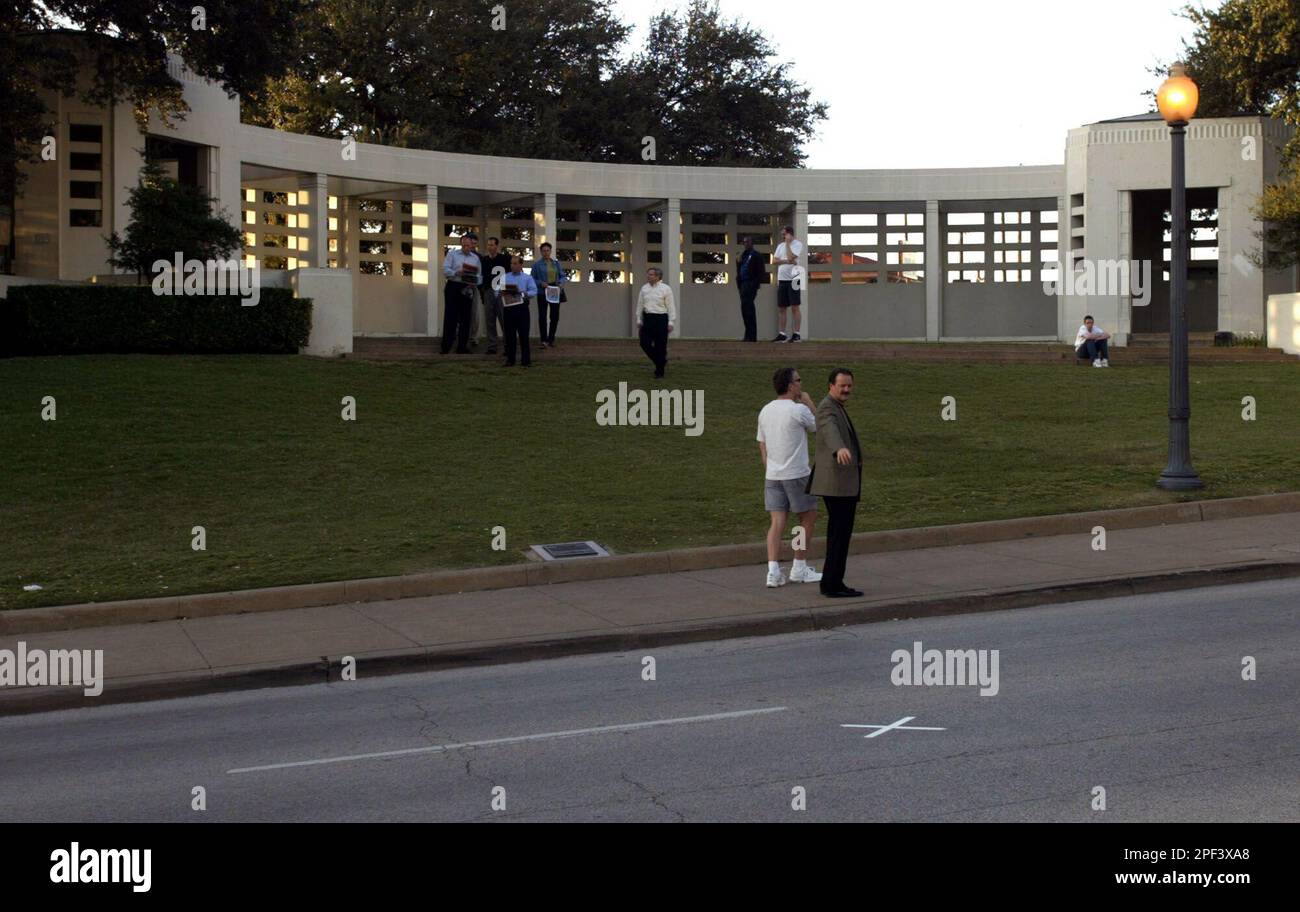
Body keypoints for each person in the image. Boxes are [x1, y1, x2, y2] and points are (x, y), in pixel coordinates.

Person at [757, 367, 823, 588]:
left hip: (773, 475)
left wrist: (769, 466)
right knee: (807, 518)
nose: (801, 383)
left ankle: (773, 571)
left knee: (777, 522)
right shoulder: (798, 410)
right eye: (798, 380)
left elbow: (762, 443)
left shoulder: (765, 410)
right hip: (796, 474)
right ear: (790, 385)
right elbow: (820, 427)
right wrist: (808, 401)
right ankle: (799, 566)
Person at [807, 367, 863, 598]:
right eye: (842, 386)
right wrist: (839, 448)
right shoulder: (827, 408)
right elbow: (830, 431)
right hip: (836, 484)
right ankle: (831, 584)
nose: (847, 389)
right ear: (831, 386)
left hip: (842, 483)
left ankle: (835, 582)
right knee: (839, 534)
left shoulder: (836, 406)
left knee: (840, 533)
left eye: (849, 385)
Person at [440, 232, 481, 354]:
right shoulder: (452, 255)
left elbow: (479, 276)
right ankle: (446, 347)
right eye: (465, 245)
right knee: (450, 317)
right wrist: (457, 272)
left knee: (466, 318)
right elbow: (445, 270)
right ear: (461, 244)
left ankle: (462, 347)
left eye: (469, 246)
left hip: (468, 287)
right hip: (453, 285)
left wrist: (474, 282)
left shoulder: (475, 258)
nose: (467, 248)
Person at [635, 267, 676, 378]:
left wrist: (671, 322)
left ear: (658, 277)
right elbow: (640, 304)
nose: (648, 276)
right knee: (644, 343)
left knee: (660, 347)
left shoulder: (666, 289)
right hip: (647, 319)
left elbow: (670, 306)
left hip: (661, 319)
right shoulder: (644, 288)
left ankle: (659, 372)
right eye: (648, 274)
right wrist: (638, 319)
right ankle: (661, 361)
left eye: (651, 274)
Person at [477, 236, 511, 355]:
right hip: (488, 292)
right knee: (489, 320)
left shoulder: (505, 259)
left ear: (497, 246)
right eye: (489, 244)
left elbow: (510, 274)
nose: (490, 247)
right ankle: (492, 346)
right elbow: (480, 277)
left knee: (504, 319)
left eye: (492, 245)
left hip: (501, 291)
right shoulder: (484, 260)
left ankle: (508, 346)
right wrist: (482, 291)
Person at [530, 242, 567, 348]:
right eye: (544, 251)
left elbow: (563, 276)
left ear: (550, 251)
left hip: (554, 291)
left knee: (554, 316)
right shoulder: (537, 265)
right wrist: (540, 283)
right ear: (541, 252)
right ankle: (543, 340)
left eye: (547, 250)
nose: (546, 252)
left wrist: (561, 284)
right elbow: (532, 278)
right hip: (542, 291)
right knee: (542, 316)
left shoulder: (556, 263)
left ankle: (551, 339)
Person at [501, 255, 536, 367]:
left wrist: (525, 293)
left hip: (522, 308)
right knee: (510, 336)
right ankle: (510, 360)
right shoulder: (505, 277)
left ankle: (526, 361)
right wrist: (502, 293)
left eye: (515, 263)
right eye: (511, 263)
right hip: (509, 309)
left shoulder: (527, 278)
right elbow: (499, 291)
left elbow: (533, 291)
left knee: (524, 335)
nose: (513, 266)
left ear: (521, 265)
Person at [771, 225, 804, 343]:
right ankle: (782, 334)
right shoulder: (780, 246)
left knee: (795, 306)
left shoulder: (798, 244)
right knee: (782, 307)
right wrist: (786, 261)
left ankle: (797, 334)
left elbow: (791, 257)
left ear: (790, 234)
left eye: (784, 234)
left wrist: (788, 244)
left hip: (795, 278)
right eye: (782, 234)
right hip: (782, 279)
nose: (783, 236)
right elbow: (774, 261)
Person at [736, 235, 765, 342]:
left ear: (752, 243)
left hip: (751, 285)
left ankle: (752, 336)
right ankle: (747, 334)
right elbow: (739, 269)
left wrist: (755, 284)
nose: (745, 244)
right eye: (744, 242)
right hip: (743, 284)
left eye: (747, 242)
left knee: (749, 309)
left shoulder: (756, 255)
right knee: (744, 309)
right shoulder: (743, 255)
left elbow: (761, 271)